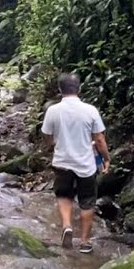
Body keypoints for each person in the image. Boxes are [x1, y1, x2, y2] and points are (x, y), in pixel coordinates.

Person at [40, 72, 109, 253]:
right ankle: (85, 242)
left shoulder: (53, 111)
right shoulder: (90, 110)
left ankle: (67, 226)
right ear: (79, 88)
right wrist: (106, 158)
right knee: (87, 201)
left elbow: (46, 135)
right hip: (85, 164)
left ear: (60, 89)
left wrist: (52, 145)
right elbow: (99, 139)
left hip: (62, 162)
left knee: (64, 195)